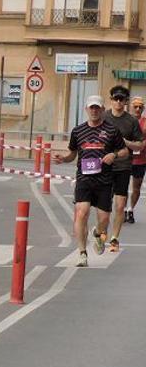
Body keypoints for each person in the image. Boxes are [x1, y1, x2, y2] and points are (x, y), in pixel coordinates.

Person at [54, 94, 128, 267]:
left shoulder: (112, 130)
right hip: (84, 179)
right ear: (86, 109)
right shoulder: (78, 131)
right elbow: (72, 154)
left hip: (104, 181)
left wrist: (113, 155)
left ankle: (98, 233)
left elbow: (124, 151)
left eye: (97, 107)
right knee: (82, 212)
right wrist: (63, 158)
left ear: (102, 110)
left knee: (103, 220)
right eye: (91, 107)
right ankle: (82, 253)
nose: (94, 110)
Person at [103, 84, 144, 250]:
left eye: (122, 99)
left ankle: (114, 238)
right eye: (115, 99)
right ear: (111, 100)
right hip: (104, 167)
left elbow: (140, 145)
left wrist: (125, 142)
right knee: (104, 205)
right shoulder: (103, 118)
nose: (118, 102)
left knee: (120, 205)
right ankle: (100, 231)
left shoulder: (132, 121)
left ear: (125, 102)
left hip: (123, 167)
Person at [128, 94, 146, 224]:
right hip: (125, 159)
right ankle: (121, 209)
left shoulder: (145, 122)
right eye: (135, 107)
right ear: (131, 107)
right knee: (120, 187)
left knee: (137, 187)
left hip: (140, 160)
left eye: (140, 107)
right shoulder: (125, 120)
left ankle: (130, 209)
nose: (138, 109)